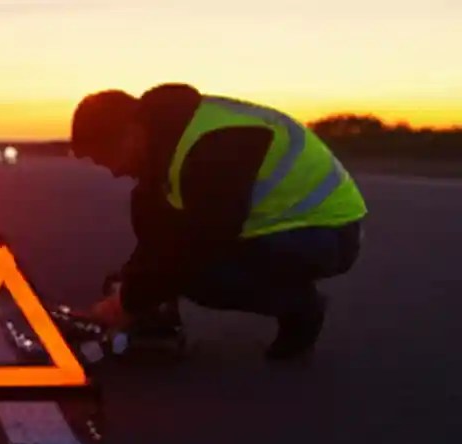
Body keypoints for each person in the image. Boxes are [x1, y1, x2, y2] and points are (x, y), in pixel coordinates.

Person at [69, 83, 367, 360]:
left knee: (198, 274)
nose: (115, 172)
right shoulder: (166, 157)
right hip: (278, 229)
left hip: (327, 233)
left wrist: (127, 302)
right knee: (157, 235)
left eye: (107, 157)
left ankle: (300, 307)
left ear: (131, 132)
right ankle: (153, 316)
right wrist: (130, 285)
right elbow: (157, 245)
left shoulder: (216, 145)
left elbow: (202, 243)